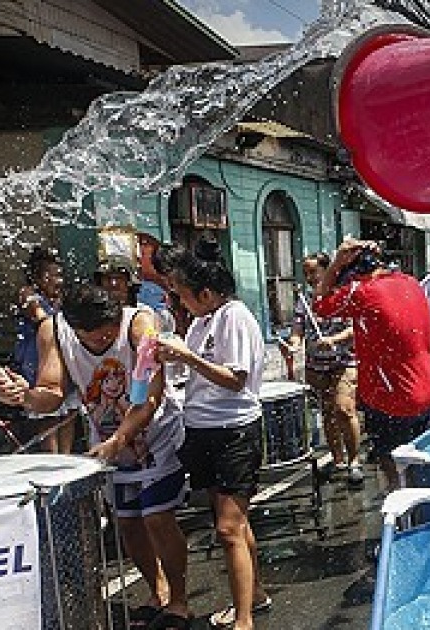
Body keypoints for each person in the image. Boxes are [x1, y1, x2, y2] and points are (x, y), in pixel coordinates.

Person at [0, 284, 191, 629]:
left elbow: (149, 398)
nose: (104, 341)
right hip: (108, 442)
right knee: (128, 523)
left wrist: (120, 439)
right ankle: (156, 591)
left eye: (109, 335)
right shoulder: (53, 331)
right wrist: (23, 397)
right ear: (74, 327)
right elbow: (52, 394)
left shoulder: (140, 325)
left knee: (157, 516)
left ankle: (179, 600)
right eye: (96, 339)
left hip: (155, 437)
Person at [154, 238, 269, 630]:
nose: (180, 303)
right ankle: (255, 594)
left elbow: (235, 379)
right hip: (203, 430)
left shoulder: (233, 316)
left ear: (205, 293)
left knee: (227, 528)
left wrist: (185, 355)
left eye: (183, 295)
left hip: (232, 431)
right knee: (236, 524)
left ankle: (244, 620)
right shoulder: (203, 320)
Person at [313, 238, 430, 493]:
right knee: (417, 465)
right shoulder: (410, 282)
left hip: (393, 397)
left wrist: (335, 263)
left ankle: (400, 524)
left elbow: (320, 306)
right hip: (425, 390)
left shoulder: (363, 291)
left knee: (392, 469)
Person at [289, 252, 363, 486]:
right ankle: (338, 459)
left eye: (313, 271)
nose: (309, 277)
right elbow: (298, 329)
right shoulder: (304, 300)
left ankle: (354, 460)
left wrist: (334, 340)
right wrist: (293, 344)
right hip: (317, 364)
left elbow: (354, 329)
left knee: (344, 409)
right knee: (328, 413)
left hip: (344, 361)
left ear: (327, 270)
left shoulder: (344, 295)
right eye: (306, 273)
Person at [12, 246, 79, 453]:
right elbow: (40, 317)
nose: (59, 281)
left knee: (68, 413)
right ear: (38, 277)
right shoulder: (28, 294)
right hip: (38, 360)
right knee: (47, 416)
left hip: (61, 358)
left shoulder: (58, 299)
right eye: (53, 276)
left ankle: (66, 461)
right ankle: (52, 460)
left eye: (61, 275)